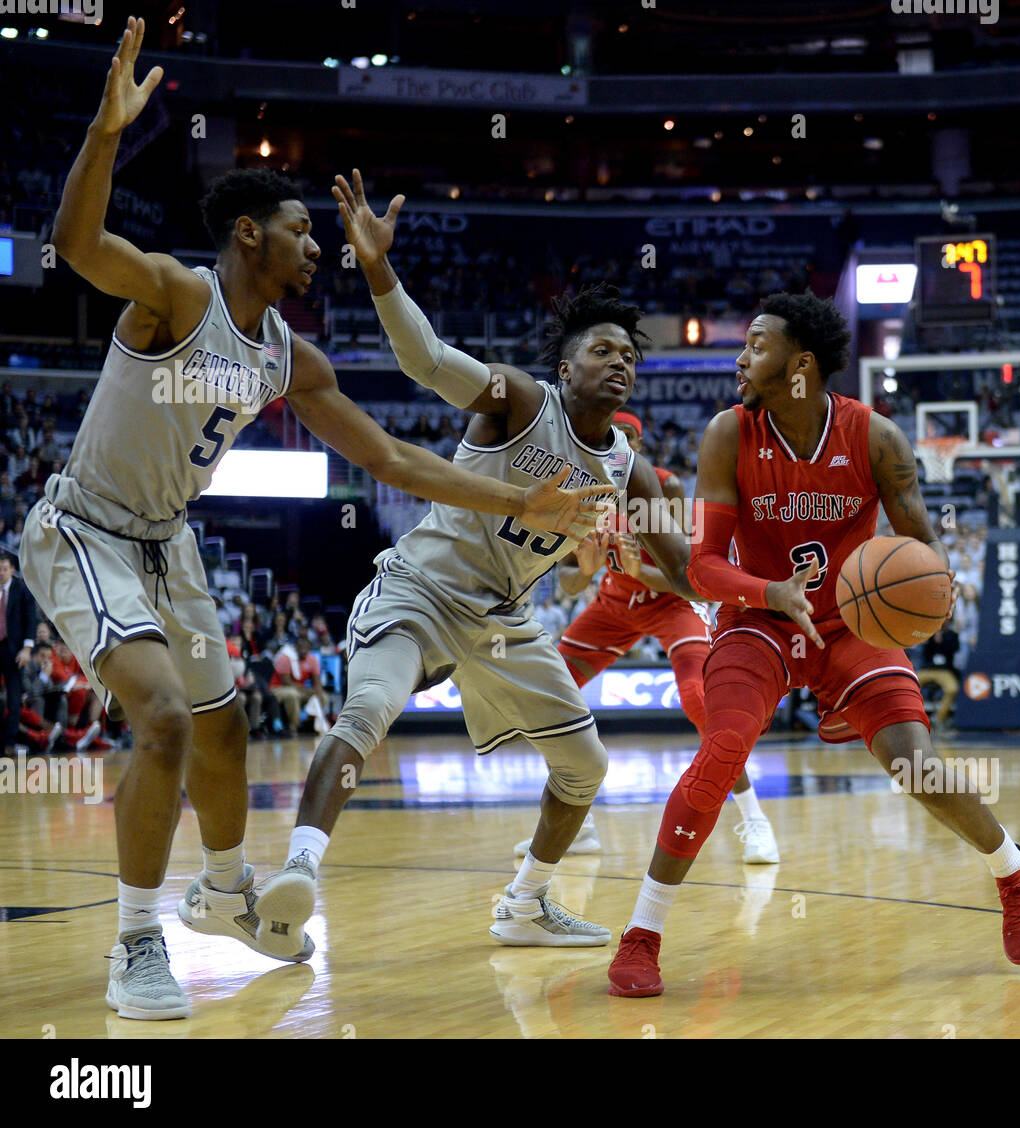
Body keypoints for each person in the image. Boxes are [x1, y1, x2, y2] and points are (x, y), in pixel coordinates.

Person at [23, 20, 609, 1023]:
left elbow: (390, 458)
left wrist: (522, 498)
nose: (314, 244)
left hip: (169, 546)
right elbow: (78, 245)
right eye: (299, 228)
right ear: (250, 233)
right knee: (162, 719)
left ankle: (223, 895)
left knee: (225, 727)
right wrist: (107, 131)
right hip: (86, 532)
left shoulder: (288, 354)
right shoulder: (175, 293)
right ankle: (134, 943)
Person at [254, 171, 698, 959]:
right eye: (602, 349)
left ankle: (525, 904)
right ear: (567, 369)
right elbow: (425, 358)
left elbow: (682, 567)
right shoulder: (522, 400)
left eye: (629, 353)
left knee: (585, 765)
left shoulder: (634, 469)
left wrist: (761, 590)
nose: (619, 360)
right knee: (366, 715)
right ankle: (296, 872)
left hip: (504, 623)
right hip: (422, 589)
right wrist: (379, 268)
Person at [607, 292, 1020, 997]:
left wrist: (925, 601)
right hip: (759, 622)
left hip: (851, 624)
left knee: (914, 764)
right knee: (721, 750)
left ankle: (1015, 872)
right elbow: (702, 566)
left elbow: (922, 552)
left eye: (755, 344)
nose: (740, 355)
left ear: (801, 364)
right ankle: (642, 935)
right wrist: (769, 593)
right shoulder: (729, 433)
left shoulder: (877, 438)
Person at [516, 410, 779, 865]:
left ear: (637, 443)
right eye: (616, 436)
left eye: (631, 437)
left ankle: (754, 818)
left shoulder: (665, 486)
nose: (624, 444)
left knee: (700, 700)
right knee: (545, 693)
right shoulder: (578, 490)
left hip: (672, 604)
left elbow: (691, 578)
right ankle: (577, 825)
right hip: (613, 605)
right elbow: (569, 586)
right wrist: (589, 571)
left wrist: (641, 573)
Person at [0, 552, 38, 756]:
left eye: (4, 568)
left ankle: (9, 742)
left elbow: (31, 619)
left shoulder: (21, 588)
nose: (1, 573)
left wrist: (28, 648)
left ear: (12, 569)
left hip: (14, 650)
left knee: (14, 699)